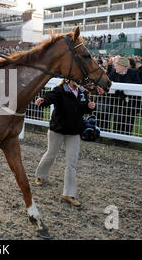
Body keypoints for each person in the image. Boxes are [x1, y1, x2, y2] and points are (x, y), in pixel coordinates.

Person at [34, 79, 96, 207]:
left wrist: (90, 107)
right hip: (57, 130)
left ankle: (69, 193)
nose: (79, 81)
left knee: (72, 163)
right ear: (68, 79)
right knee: (51, 154)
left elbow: (84, 109)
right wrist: (43, 100)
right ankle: (39, 175)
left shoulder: (83, 92)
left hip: (74, 132)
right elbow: (50, 97)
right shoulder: (60, 90)